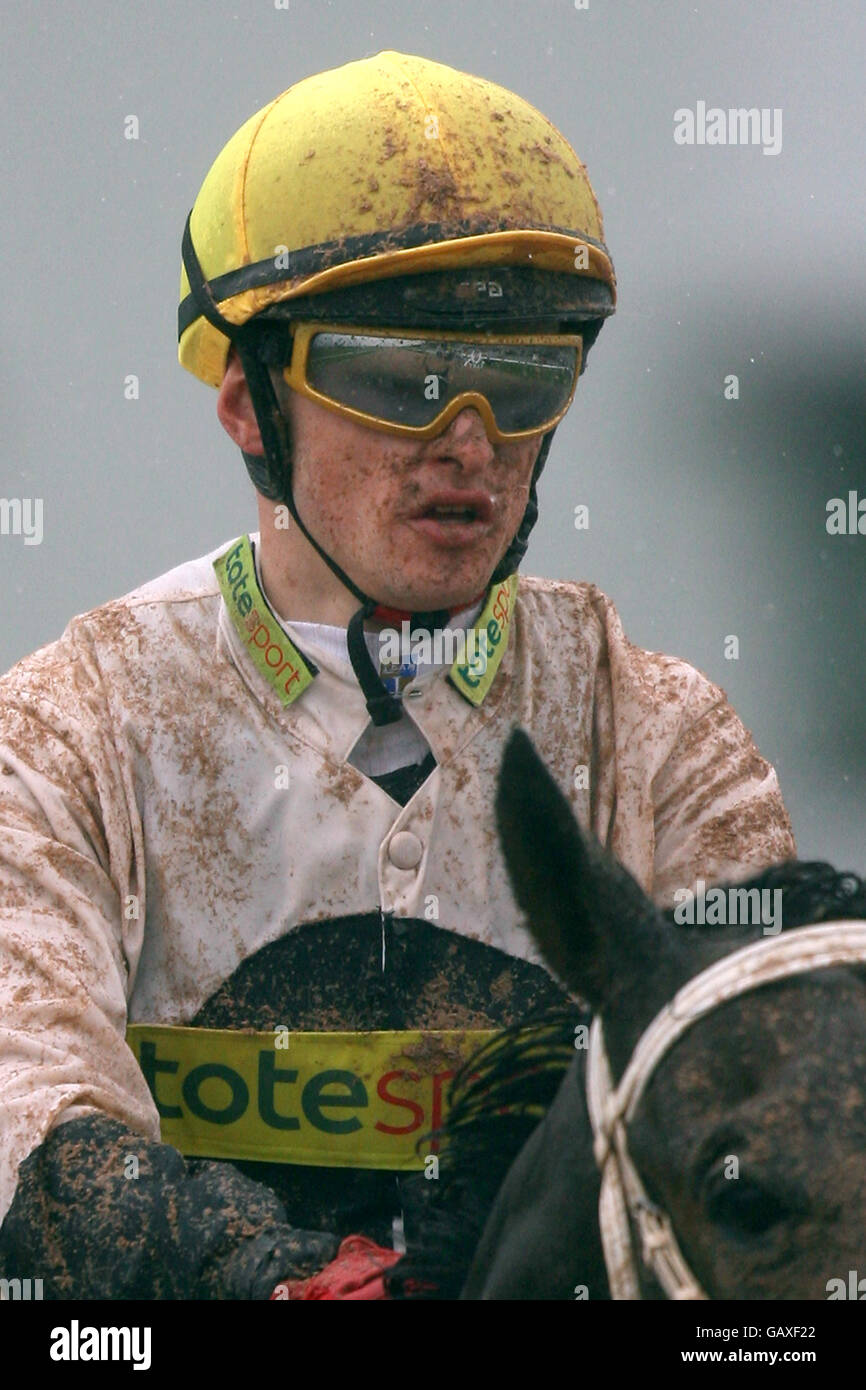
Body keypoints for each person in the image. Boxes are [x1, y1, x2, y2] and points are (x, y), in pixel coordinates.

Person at [0, 50, 795, 1300]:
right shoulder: (66, 726)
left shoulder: (660, 733)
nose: (465, 444)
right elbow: (25, 1120)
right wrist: (273, 1276)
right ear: (247, 406)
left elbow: (777, 1110)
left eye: (522, 376)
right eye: (396, 378)